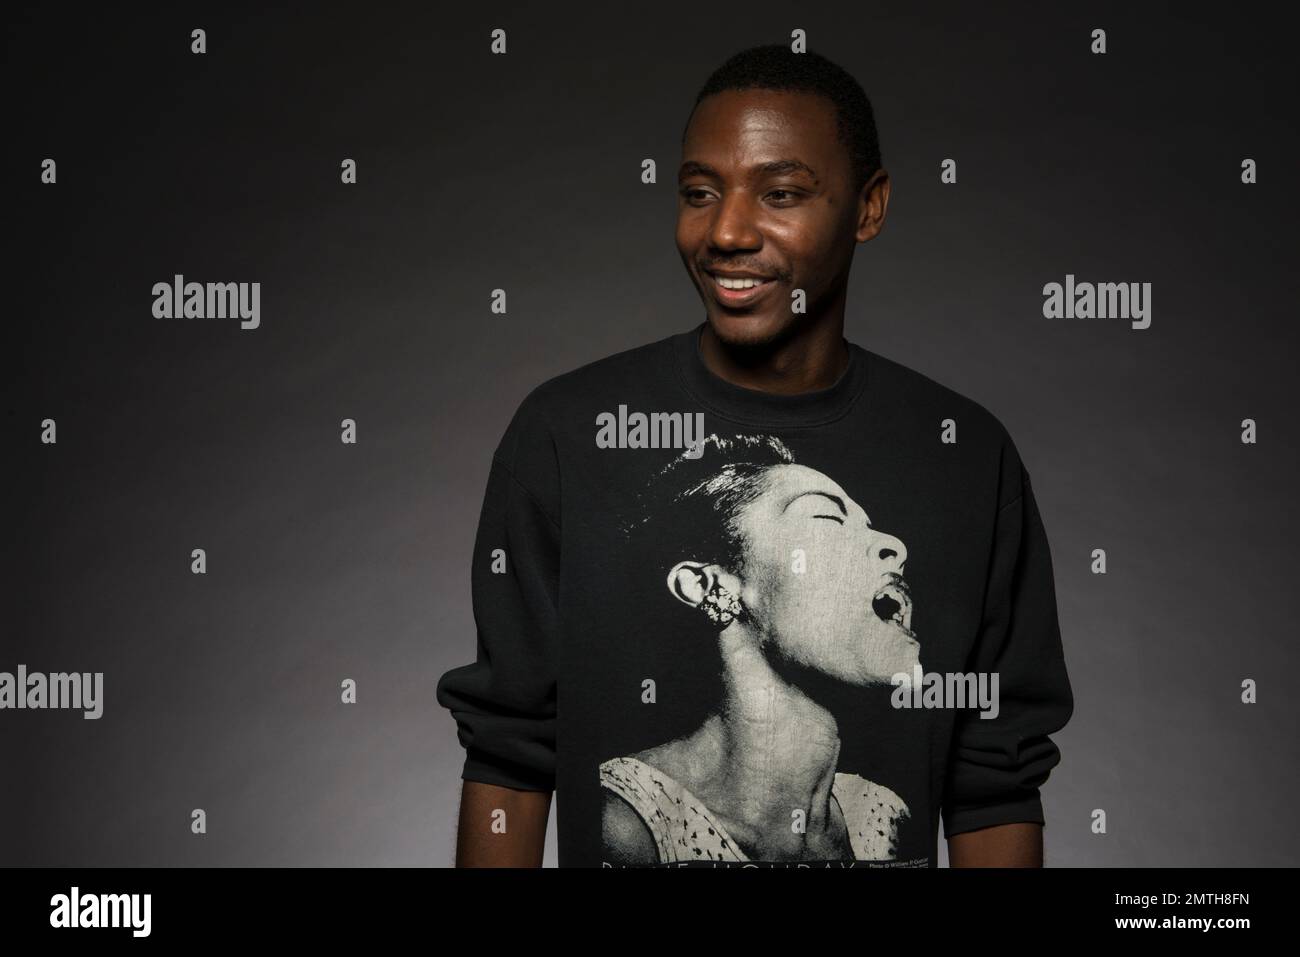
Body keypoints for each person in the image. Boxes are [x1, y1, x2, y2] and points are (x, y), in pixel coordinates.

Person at [436, 43, 1073, 868]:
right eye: (699, 192)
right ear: (711, 585)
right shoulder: (566, 435)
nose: (727, 231)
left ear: (869, 206)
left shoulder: (966, 455)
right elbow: (509, 756)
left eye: (780, 193)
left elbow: (995, 779)